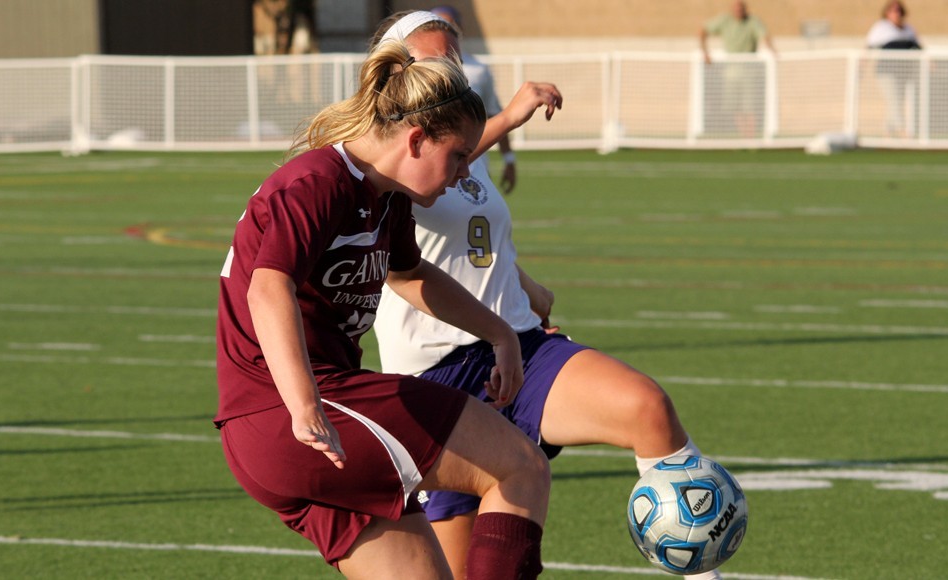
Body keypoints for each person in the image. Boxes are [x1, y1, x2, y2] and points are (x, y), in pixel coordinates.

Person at [371, 11, 723, 580]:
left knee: (647, 408)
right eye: (433, 60)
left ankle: (703, 568)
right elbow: (413, 214)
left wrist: (527, 288)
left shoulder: (465, 149)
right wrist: (508, 117)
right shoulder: (382, 154)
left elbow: (474, 242)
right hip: (436, 376)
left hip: (522, 347)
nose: (448, 71)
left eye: (454, 61)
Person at [215, 38, 554, 579]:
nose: (465, 172)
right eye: (459, 155)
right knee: (521, 467)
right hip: (302, 414)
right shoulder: (319, 182)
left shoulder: (384, 194)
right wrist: (304, 405)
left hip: (287, 431)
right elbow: (267, 286)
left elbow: (410, 275)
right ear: (416, 139)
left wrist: (502, 334)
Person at [430, 4, 518, 194]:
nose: (444, 30)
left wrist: (509, 159)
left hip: (473, 166)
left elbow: (494, 114)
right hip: (430, 167)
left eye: (449, 25)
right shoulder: (415, 70)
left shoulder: (478, 70)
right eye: (437, 24)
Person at [698, 1, 776, 137]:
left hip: (749, 73)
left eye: (741, 8)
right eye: (736, 8)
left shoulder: (753, 21)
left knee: (750, 106)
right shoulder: (725, 20)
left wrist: (772, 51)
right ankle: (743, 136)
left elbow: (764, 35)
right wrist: (705, 52)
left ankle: (751, 137)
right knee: (735, 107)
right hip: (731, 74)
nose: (738, 11)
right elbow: (702, 30)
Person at [866, 0, 922, 137]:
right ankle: (902, 130)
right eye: (893, 10)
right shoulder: (881, 28)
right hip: (886, 71)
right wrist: (861, 65)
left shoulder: (908, 29)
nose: (896, 14)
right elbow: (868, 47)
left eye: (899, 11)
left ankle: (887, 132)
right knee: (894, 99)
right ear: (887, 13)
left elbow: (919, 47)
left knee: (897, 100)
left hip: (903, 71)